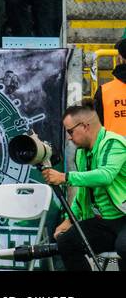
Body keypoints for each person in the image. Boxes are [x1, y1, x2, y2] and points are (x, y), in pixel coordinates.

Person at [42, 103, 126, 270]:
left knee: (124, 247)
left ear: (85, 126)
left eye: (70, 131)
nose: (69, 138)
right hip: (105, 223)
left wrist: (65, 177)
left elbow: (105, 176)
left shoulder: (113, 143)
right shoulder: (81, 152)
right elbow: (83, 193)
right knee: (66, 242)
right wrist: (69, 220)